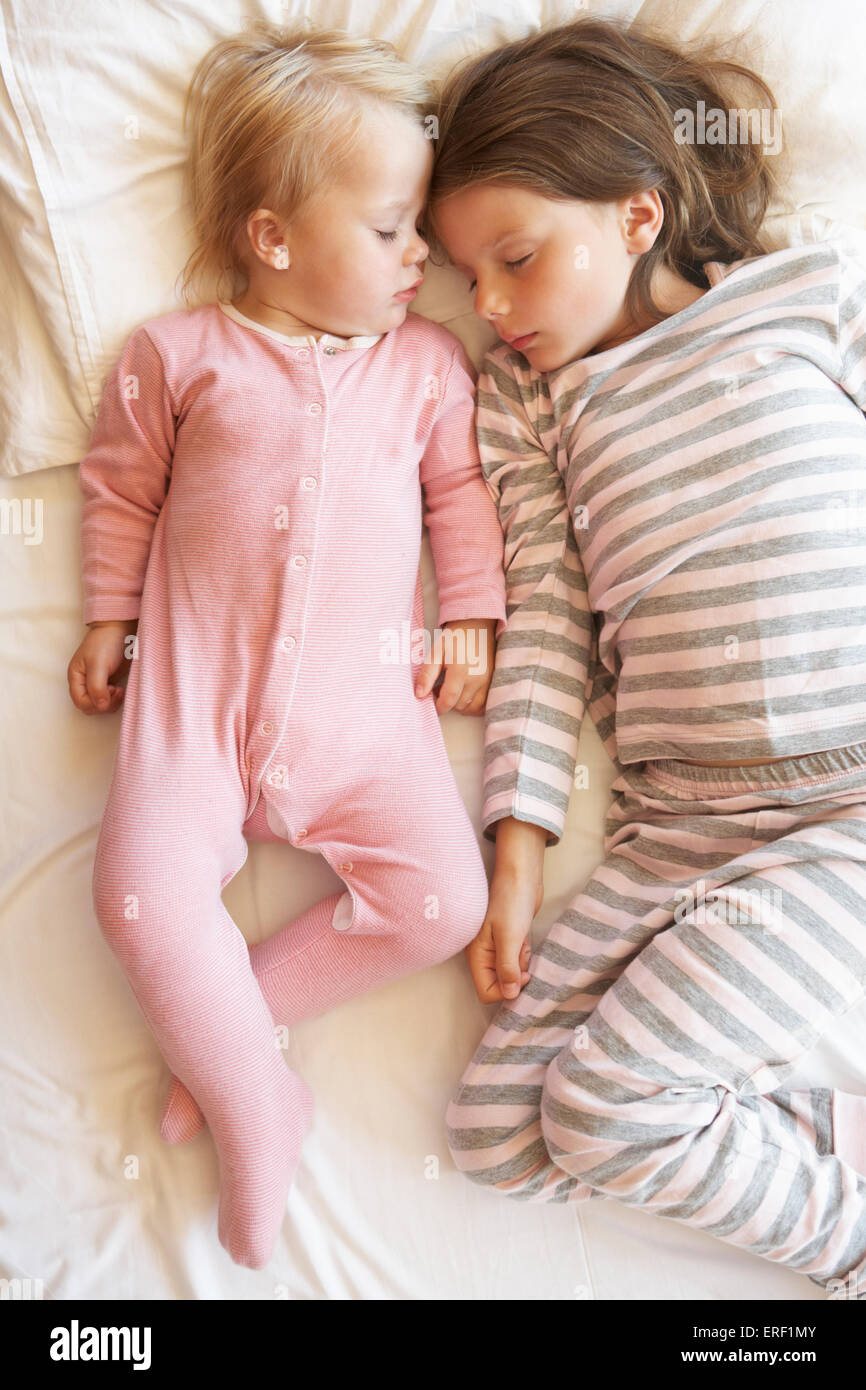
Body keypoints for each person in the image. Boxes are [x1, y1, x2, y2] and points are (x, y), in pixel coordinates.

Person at [424, 13, 866, 1299]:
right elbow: (547, 621)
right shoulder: (530, 402)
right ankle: (788, 1093)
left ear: (636, 213)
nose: (492, 307)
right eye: (469, 280)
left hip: (848, 805)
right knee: (497, 1139)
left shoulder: (805, 297)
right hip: (675, 828)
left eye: (515, 259)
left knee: (610, 1111)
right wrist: (515, 846)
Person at [65, 19, 507, 1270]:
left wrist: (469, 608)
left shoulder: (424, 367)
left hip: (365, 719)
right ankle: (262, 1101)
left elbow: (461, 498)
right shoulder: (177, 355)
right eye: (388, 230)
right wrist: (111, 614)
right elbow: (116, 490)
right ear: (273, 239)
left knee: (439, 898)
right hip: (191, 706)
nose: (419, 256)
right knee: (136, 894)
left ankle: (231, 1038)